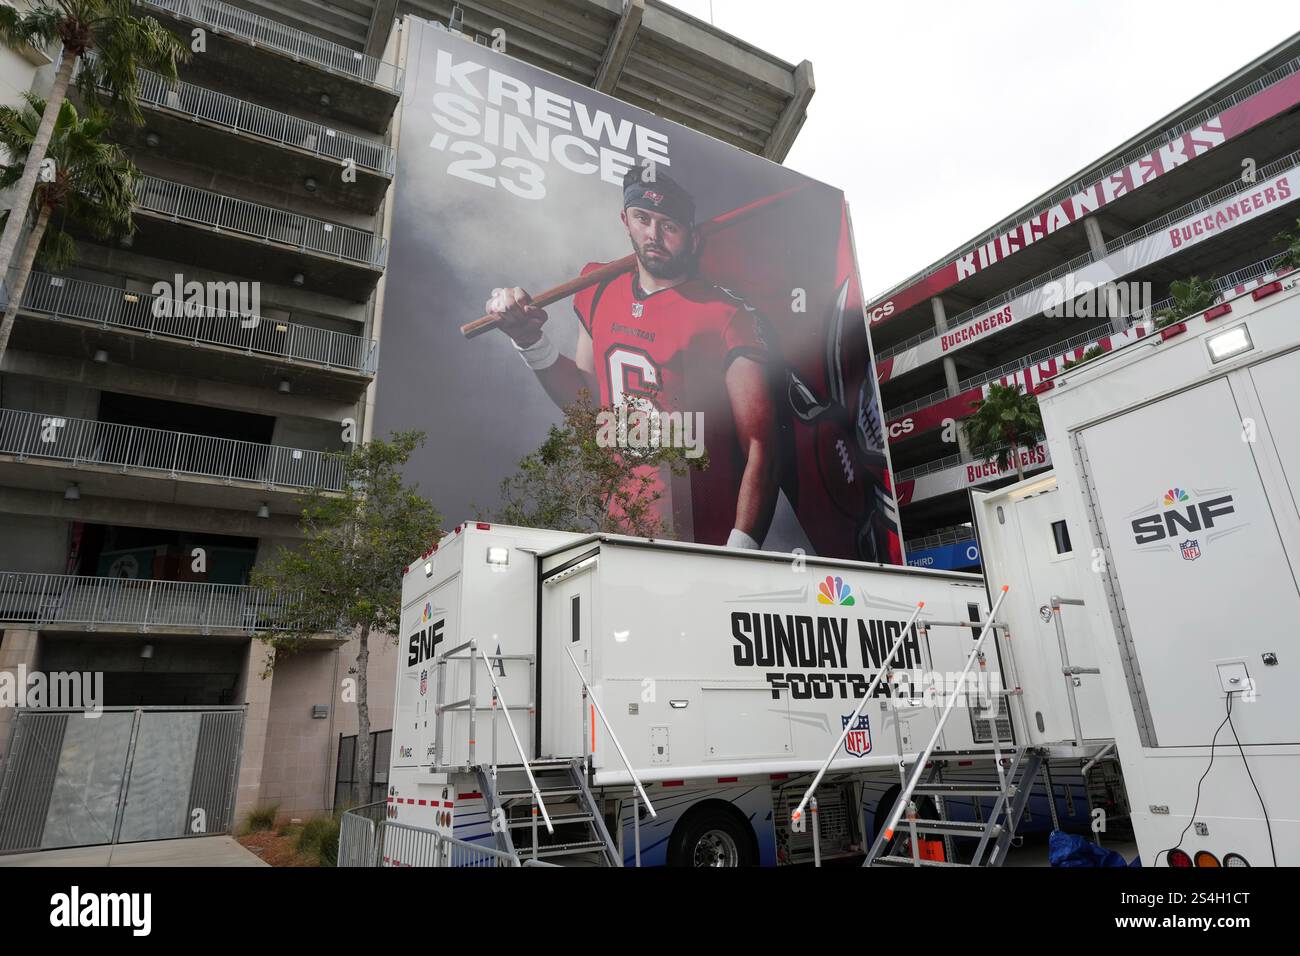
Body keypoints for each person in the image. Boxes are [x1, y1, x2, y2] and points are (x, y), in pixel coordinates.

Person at [487, 168, 780, 548]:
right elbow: (589, 403)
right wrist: (530, 341)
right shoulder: (597, 288)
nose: (653, 237)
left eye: (669, 226)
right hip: (621, 521)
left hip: (703, 530)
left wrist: (742, 545)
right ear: (625, 219)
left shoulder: (725, 314)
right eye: (643, 219)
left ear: (692, 236)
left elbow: (762, 442)